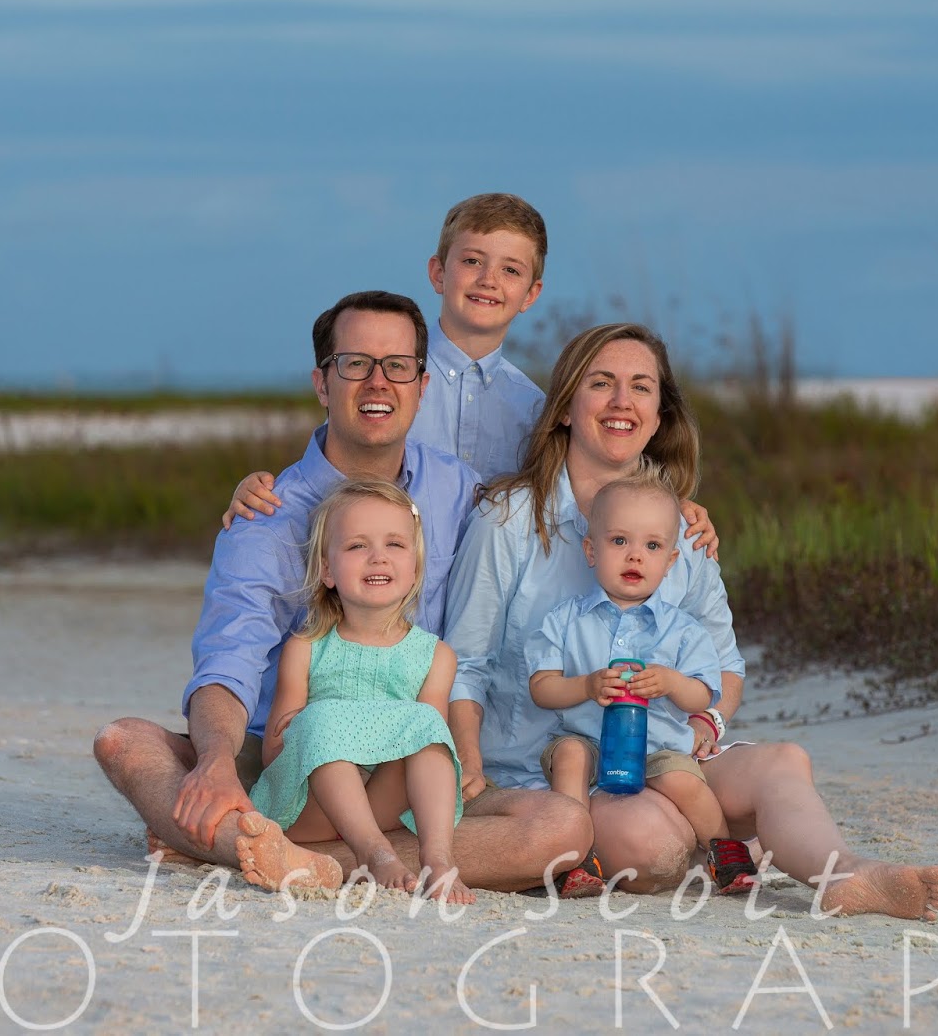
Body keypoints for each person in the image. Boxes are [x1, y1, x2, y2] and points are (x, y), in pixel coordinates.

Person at [445, 322, 938, 919]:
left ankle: (846, 875)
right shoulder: (509, 520)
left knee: (783, 762)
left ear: (659, 417)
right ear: (563, 409)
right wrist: (470, 766)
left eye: (641, 387)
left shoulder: (684, 532)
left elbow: (724, 662)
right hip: (554, 769)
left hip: (664, 750)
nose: (621, 402)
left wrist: (707, 720)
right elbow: (465, 663)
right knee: (652, 844)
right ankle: (733, 847)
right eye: (601, 383)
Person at [93, 290, 591, 894]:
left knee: (563, 827)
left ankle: (274, 854)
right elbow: (230, 659)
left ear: (421, 386)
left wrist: (671, 508)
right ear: (322, 384)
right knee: (124, 743)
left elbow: (561, 514)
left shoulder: (457, 490)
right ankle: (281, 841)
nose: (378, 382)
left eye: (397, 366)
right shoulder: (267, 516)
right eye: (355, 364)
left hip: (410, 760)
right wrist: (217, 761)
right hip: (293, 758)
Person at [218, 193, 720, 557]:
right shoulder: (392, 382)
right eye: (472, 261)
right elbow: (332, 463)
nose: (488, 280)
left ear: (531, 294)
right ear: (438, 273)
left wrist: (672, 506)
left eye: (510, 270)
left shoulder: (534, 408)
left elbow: (590, 477)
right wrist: (256, 489)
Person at [526, 469, 757, 895]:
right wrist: (587, 686)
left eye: (652, 546)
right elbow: (542, 688)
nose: (635, 556)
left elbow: (702, 696)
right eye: (619, 541)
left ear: (670, 561)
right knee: (570, 757)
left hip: (657, 745)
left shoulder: (683, 630)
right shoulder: (565, 620)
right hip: (586, 739)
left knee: (686, 782)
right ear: (591, 550)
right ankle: (575, 857)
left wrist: (671, 682)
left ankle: (725, 852)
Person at [252, 479, 473, 903]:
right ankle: (374, 853)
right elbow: (275, 752)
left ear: (415, 568)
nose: (378, 557)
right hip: (312, 806)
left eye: (395, 544)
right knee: (320, 719)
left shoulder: (436, 656)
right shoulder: (306, 648)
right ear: (327, 571)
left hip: (385, 803)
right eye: (357, 546)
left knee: (427, 726)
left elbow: (430, 744)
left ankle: (438, 858)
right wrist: (317, 727)